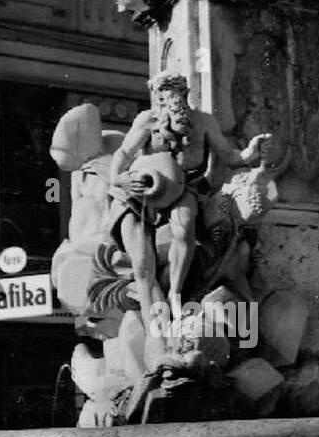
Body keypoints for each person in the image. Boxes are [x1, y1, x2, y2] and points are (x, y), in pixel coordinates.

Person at [108, 71, 271, 326]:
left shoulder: (203, 122)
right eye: (165, 99)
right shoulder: (147, 121)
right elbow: (124, 154)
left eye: (178, 96)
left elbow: (229, 156)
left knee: (184, 228)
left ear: (185, 96)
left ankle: (175, 291)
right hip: (142, 193)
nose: (173, 103)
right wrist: (120, 179)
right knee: (142, 260)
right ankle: (152, 313)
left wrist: (250, 152)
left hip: (183, 190)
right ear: (159, 100)